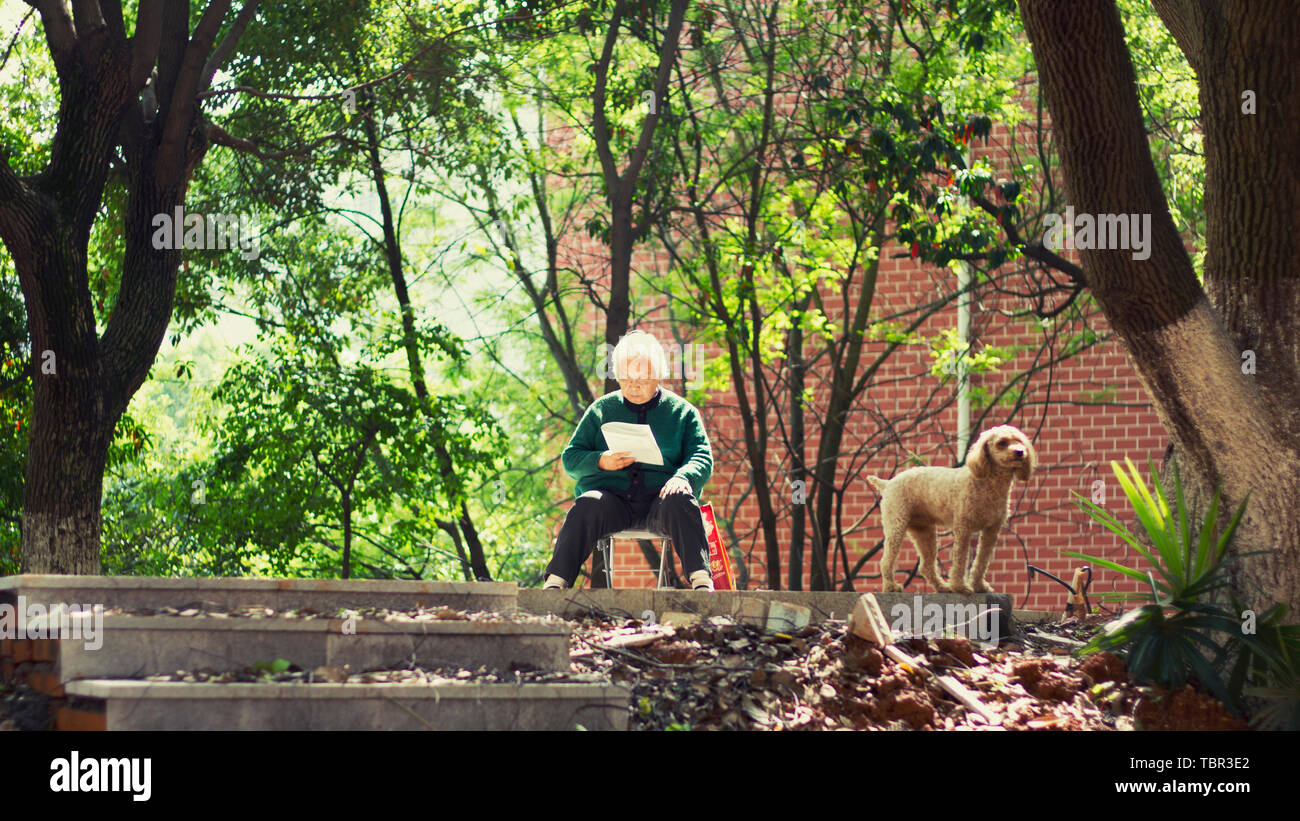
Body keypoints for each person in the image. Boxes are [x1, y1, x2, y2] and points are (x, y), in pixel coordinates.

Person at [543, 330, 715, 590]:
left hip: (662, 501)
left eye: (642, 379)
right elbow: (571, 458)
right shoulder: (602, 410)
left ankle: (701, 581)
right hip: (613, 503)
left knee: (681, 500)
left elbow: (702, 457)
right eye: (626, 378)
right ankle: (555, 582)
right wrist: (600, 460)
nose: (633, 386)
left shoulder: (682, 413)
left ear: (657, 375)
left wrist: (683, 477)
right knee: (587, 504)